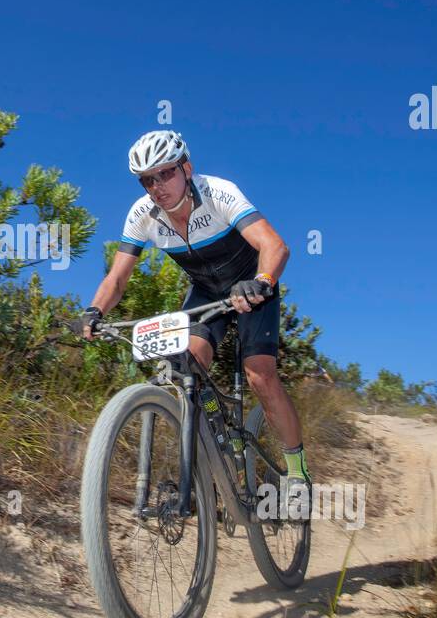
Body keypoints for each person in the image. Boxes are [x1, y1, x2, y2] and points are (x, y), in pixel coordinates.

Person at [82, 129, 312, 486]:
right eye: (147, 179)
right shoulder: (142, 215)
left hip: (252, 284)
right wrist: (95, 312)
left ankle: (298, 472)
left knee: (259, 375)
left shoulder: (218, 192)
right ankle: (218, 445)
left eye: (166, 173)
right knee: (186, 365)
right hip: (207, 293)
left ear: (186, 168)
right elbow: (117, 278)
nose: (157, 185)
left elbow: (274, 245)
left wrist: (263, 281)